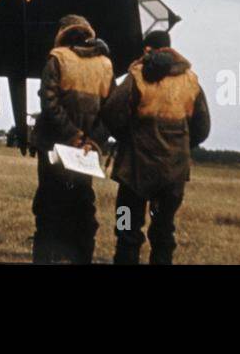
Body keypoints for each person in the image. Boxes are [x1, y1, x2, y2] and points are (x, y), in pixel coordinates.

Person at [100, 30, 210, 265]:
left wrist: (127, 137)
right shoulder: (190, 80)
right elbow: (202, 128)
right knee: (164, 232)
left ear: (147, 50)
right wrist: (179, 146)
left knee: (125, 223)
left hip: (134, 172)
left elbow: (111, 113)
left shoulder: (137, 75)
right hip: (173, 174)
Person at [29, 14, 113, 264]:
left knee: (48, 203)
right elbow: (111, 111)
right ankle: (81, 256)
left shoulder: (57, 59)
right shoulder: (106, 65)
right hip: (86, 154)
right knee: (82, 204)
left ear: (62, 34)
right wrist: (91, 140)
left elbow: (49, 101)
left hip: (54, 146)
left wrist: (71, 134)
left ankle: (45, 258)